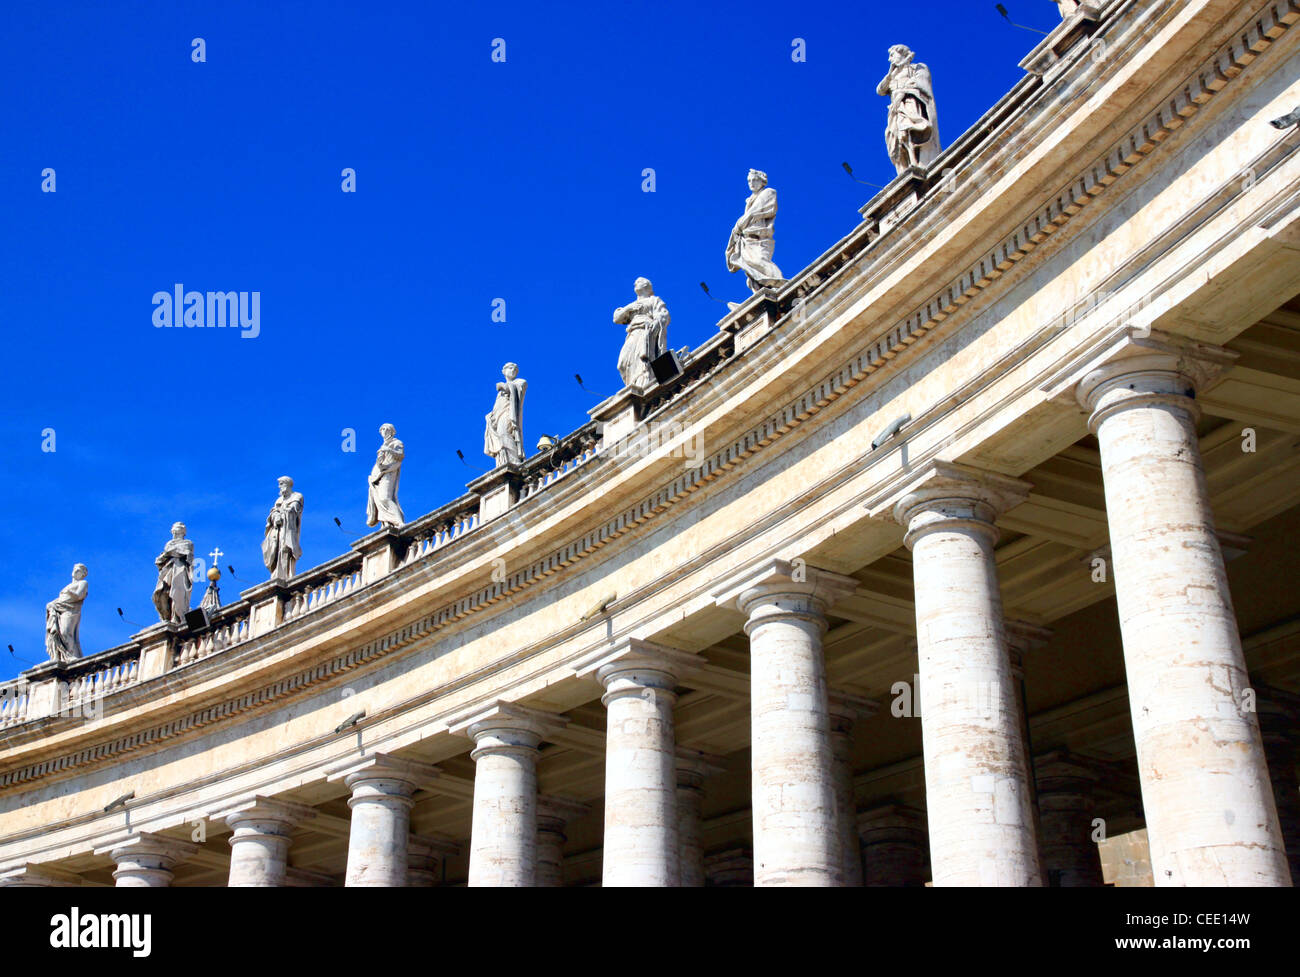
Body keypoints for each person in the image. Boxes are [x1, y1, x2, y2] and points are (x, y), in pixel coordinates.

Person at [877, 44, 941, 174]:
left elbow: (921, 84)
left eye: (892, 55)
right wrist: (890, 73)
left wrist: (902, 94)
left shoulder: (916, 68)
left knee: (908, 131)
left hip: (909, 103)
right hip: (895, 108)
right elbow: (880, 90)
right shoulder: (892, 75)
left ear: (901, 54)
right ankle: (906, 165)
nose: (890, 59)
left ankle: (915, 162)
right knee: (894, 136)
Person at [725, 169, 785, 293]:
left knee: (760, 262)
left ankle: (780, 285)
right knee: (751, 271)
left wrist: (738, 225)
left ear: (762, 181)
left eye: (754, 180)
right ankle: (762, 291)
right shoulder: (749, 200)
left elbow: (756, 212)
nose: (751, 183)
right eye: (749, 180)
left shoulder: (768, 193)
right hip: (747, 238)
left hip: (760, 237)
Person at [613, 277, 670, 390]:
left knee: (642, 360)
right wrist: (628, 308)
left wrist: (656, 322)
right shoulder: (633, 305)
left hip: (646, 331)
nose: (635, 283)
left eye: (638, 282)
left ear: (646, 286)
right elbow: (616, 318)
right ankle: (633, 383)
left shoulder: (654, 300)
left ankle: (642, 384)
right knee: (622, 364)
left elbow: (664, 314)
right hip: (633, 332)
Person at [484, 363, 527, 467]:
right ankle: (503, 463)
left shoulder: (520, 381)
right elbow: (498, 405)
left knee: (504, 433)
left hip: (508, 413)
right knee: (500, 438)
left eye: (516, 369)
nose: (513, 370)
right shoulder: (500, 393)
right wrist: (491, 415)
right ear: (504, 371)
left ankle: (513, 461)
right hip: (497, 417)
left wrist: (504, 386)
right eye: (511, 368)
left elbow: (517, 390)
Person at [263, 476, 304, 581]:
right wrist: (275, 515)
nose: (279, 487)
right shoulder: (279, 499)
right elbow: (273, 511)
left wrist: (282, 515)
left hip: (288, 529)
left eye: (281, 484)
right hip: (277, 531)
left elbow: (294, 509)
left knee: (285, 548)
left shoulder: (297, 496)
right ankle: (277, 574)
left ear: (287, 484)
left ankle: (285, 575)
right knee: (276, 550)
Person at [45, 564, 88, 663]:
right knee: (56, 633)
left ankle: (71, 655)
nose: (76, 571)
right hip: (59, 609)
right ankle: (58, 656)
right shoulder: (68, 586)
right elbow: (61, 599)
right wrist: (52, 603)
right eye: (75, 569)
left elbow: (79, 595)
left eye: (79, 570)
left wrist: (70, 593)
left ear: (83, 574)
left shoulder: (83, 583)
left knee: (65, 632)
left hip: (71, 610)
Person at [153, 523, 194, 624]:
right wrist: (169, 553)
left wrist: (170, 553)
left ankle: (177, 617)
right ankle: (166, 617)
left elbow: (186, 553)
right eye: (174, 529)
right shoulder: (169, 544)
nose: (174, 531)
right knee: (162, 593)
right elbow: (160, 560)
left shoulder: (188, 543)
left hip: (179, 569)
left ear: (183, 531)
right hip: (168, 570)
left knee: (177, 593)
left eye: (178, 529)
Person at [366, 425, 406, 529]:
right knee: (379, 499)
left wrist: (388, 449)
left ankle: (399, 522)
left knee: (385, 498)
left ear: (391, 431)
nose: (383, 432)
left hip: (389, 471)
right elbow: (380, 461)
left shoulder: (397, 443)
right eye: (381, 430)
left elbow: (400, 455)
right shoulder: (383, 446)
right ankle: (386, 523)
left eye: (385, 429)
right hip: (378, 474)